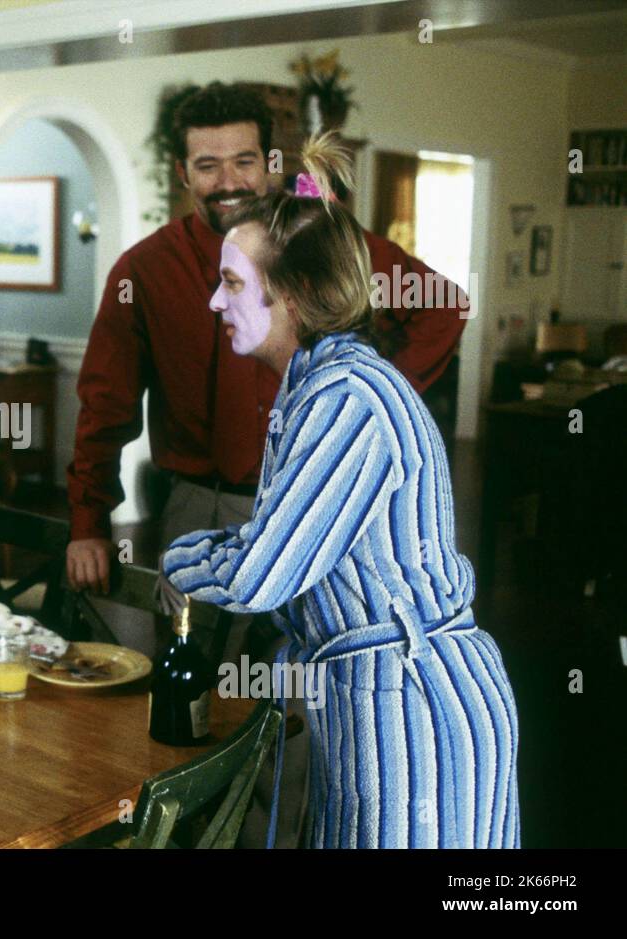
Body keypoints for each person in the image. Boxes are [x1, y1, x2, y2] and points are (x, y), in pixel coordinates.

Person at [162, 135, 519, 848]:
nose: (213, 300)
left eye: (231, 283)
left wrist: (181, 559)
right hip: (370, 694)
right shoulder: (312, 389)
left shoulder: (349, 396)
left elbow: (264, 570)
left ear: (291, 294)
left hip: (416, 703)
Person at [67, 81, 468, 593]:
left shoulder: (315, 242)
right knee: (195, 663)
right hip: (195, 502)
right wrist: (88, 524)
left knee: (300, 664)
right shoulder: (142, 271)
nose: (228, 181)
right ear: (182, 173)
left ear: (270, 163)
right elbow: (105, 404)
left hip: (310, 496)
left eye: (244, 161)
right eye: (208, 166)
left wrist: (370, 396)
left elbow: (444, 305)